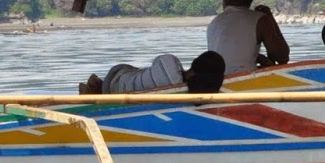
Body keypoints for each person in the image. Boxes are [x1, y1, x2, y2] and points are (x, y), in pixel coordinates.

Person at [207, 0, 290, 76]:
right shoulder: (259, 19)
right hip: (242, 81)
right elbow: (282, 57)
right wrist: (270, 18)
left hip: (216, 79)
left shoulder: (214, 22)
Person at [79, 50, 225, 95]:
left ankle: (97, 87)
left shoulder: (168, 63)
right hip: (117, 84)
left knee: (138, 75)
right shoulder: (181, 90)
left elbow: (158, 60)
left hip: (116, 78)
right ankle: (97, 87)